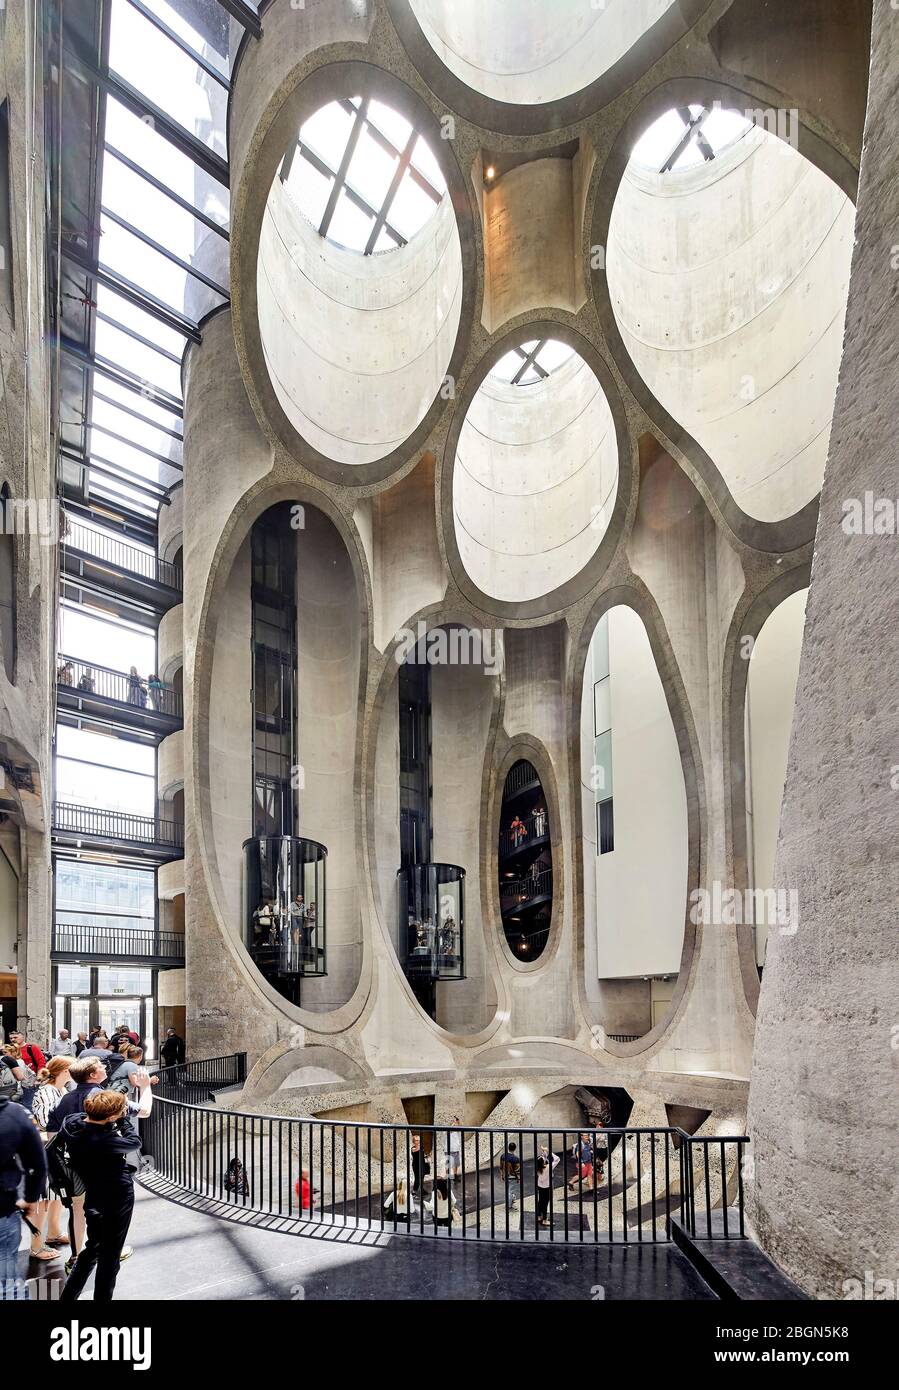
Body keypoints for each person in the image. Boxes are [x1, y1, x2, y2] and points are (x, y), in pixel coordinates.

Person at [59, 1077, 153, 1302]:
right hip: (116, 1195)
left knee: (93, 1248)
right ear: (111, 1116)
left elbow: (92, 1121)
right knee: (110, 1257)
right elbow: (134, 1142)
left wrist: (114, 1113)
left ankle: (68, 1296)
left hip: (94, 1193)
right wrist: (122, 1121)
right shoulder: (105, 1140)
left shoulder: (73, 1124)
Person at [0, 1078, 47, 1299]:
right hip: (2, 1209)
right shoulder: (14, 1114)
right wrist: (30, 1198)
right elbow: (37, 1165)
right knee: (7, 1282)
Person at [28, 1058, 77, 1261]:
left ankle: (54, 1233)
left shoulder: (60, 1091)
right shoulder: (47, 1091)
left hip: (54, 1148)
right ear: (65, 1071)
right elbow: (49, 1123)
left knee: (55, 1194)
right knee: (44, 1200)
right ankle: (37, 1247)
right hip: (45, 1149)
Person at [536, 1149, 560, 1227]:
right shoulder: (548, 1168)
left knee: (540, 1201)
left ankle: (539, 1216)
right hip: (547, 1187)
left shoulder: (538, 1168)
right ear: (543, 1163)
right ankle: (545, 1220)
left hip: (540, 1185)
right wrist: (550, 1151)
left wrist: (544, 1152)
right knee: (545, 1203)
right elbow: (557, 1159)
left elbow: (543, 1158)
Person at [499, 1142, 521, 1209]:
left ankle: (512, 1199)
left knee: (509, 1190)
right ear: (515, 1148)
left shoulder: (503, 1156)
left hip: (506, 1176)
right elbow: (518, 1171)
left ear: (508, 1147)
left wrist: (501, 1175)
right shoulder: (516, 1159)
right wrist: (519, 1179)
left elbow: (501, 1167)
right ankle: (509, 1205)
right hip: (513, 1177)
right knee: (510, 1191)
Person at [409, 1131, 427, 1196]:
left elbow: (423, 1154)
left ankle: (422, 1189)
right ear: (413, 1141)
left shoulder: (421, 1147)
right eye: (416, 1140)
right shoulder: (413, 1148)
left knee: (422, 1177)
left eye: (419, 1140)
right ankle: (414, 1191)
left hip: (422, 1164)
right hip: (416, 1165)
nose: (418, 1141)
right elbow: (416, 1149)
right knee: (417, 1178)